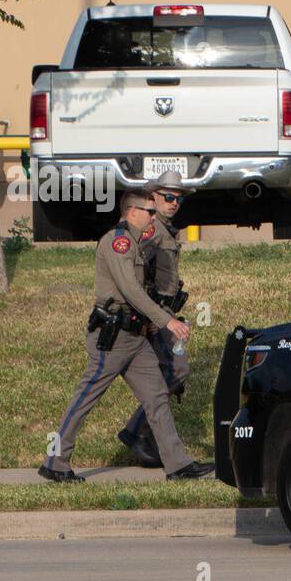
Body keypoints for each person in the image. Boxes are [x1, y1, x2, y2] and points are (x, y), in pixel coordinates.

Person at [39, 189, 213, 482]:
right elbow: (129, 289)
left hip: (134, 337)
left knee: (157, 396)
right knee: (84, 400)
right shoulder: (118, 242)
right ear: (132, 211)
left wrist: (154, 319)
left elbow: (143, 290)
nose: (153, 216)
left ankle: (178, 465)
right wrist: (166, 320)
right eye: (149, 211)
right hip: (112, 339)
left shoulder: (137, 242)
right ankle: (55, 461)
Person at [117, 170, 192, 467]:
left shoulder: (165, 229)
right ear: (153, 198)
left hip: (165, 311)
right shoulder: (150, 231)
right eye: (168, 197)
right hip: (156, 313)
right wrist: (148, 313)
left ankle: (144, 434)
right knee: (177, 369)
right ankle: (136, 431)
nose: (174, 203)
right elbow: (134, 273)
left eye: (178, 198)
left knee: (171, 371)